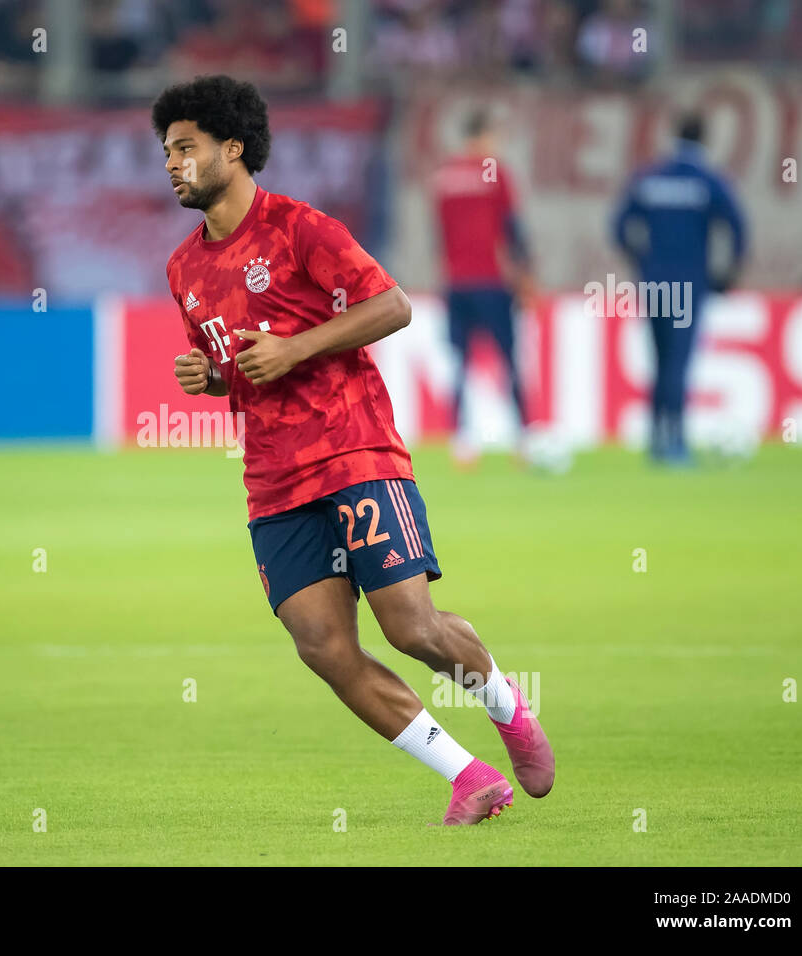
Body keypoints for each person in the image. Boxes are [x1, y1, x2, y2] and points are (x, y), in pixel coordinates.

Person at [154, 75, 554, 825]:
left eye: (186, 148)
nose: (172, 164)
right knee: (324, 647)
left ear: (232, 148)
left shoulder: (301, 229)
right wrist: (214, 378)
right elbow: (244, 369)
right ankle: (467, 775)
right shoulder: (184, 271)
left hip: (354, 449)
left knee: (411, 628)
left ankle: (507, 706)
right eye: (166, 152)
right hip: (274, 477)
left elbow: (393, 305)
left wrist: (295, 348)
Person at [612, 112, 747, 464]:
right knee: (678, 363)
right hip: (688, 284)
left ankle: (657, 438)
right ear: (705, 139)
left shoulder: (650, 177)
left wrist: (640, 261)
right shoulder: (707, 180)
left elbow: (618, 225)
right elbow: (737, 225)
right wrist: (728, 271)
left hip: (654, 282)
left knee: (659, 362)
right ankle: (675, 443)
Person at [432, 109, 535, 466]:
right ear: (484, 137)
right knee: (508, 359)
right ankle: (524, 438)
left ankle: (463, 442)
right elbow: (513, 228)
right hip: (491, 280)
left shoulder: (444, 176)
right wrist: (526, 276)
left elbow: (441, 233)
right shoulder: (496, 172)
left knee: (460, 361)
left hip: (456, 282)